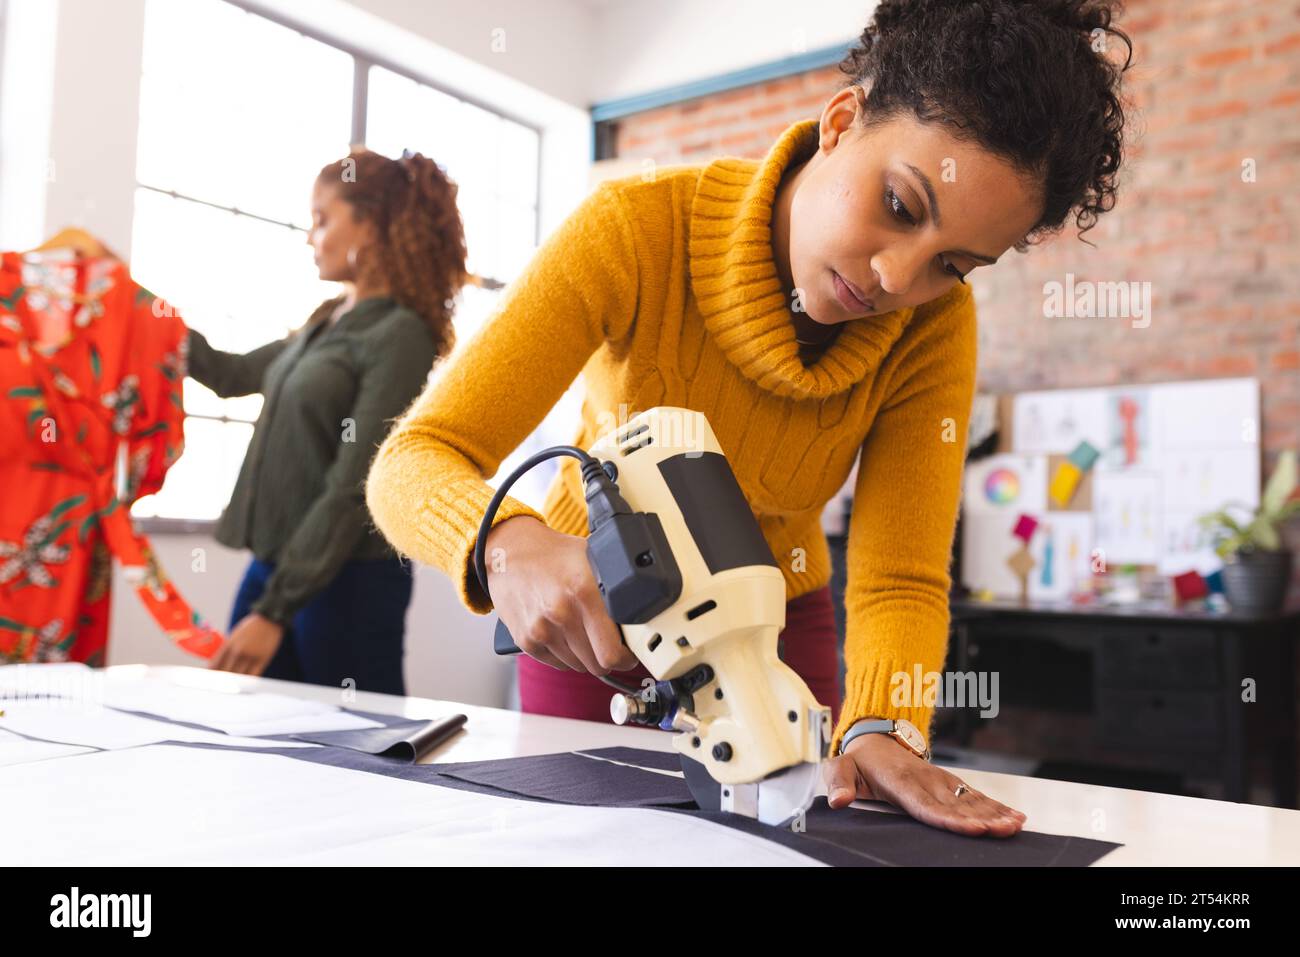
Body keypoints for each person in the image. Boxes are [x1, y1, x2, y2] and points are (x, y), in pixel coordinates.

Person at [366, 0, 1132, 835]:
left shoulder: (933, 327)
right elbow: (415, 458)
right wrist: (504, 543)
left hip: (781, 634)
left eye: (951, 264)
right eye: (902, 207)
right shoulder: (632, 231)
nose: (893, 279)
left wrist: (883, 724)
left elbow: (899, 574)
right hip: (597, 622)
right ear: (841, 122)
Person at [191, 148, 469, 694]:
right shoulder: (325, 323)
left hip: (349, 585)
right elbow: (229, 374)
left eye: (322, 219)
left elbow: (352, 487)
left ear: (372, 225)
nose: (309, 234)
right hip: (278, 569)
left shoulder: (399, 335)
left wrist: (274, 612)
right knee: (253, 742)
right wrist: (134, 303)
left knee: (358, 758)